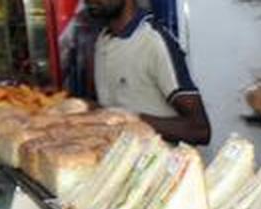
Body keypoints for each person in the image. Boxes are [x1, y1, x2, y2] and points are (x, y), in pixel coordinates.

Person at [84, 0, 211, 145]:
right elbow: (110, 110)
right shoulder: (103, 40)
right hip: (120, 162)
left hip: (161, 164)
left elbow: (200, 130)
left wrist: (129, 118)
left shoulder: (153, 41)